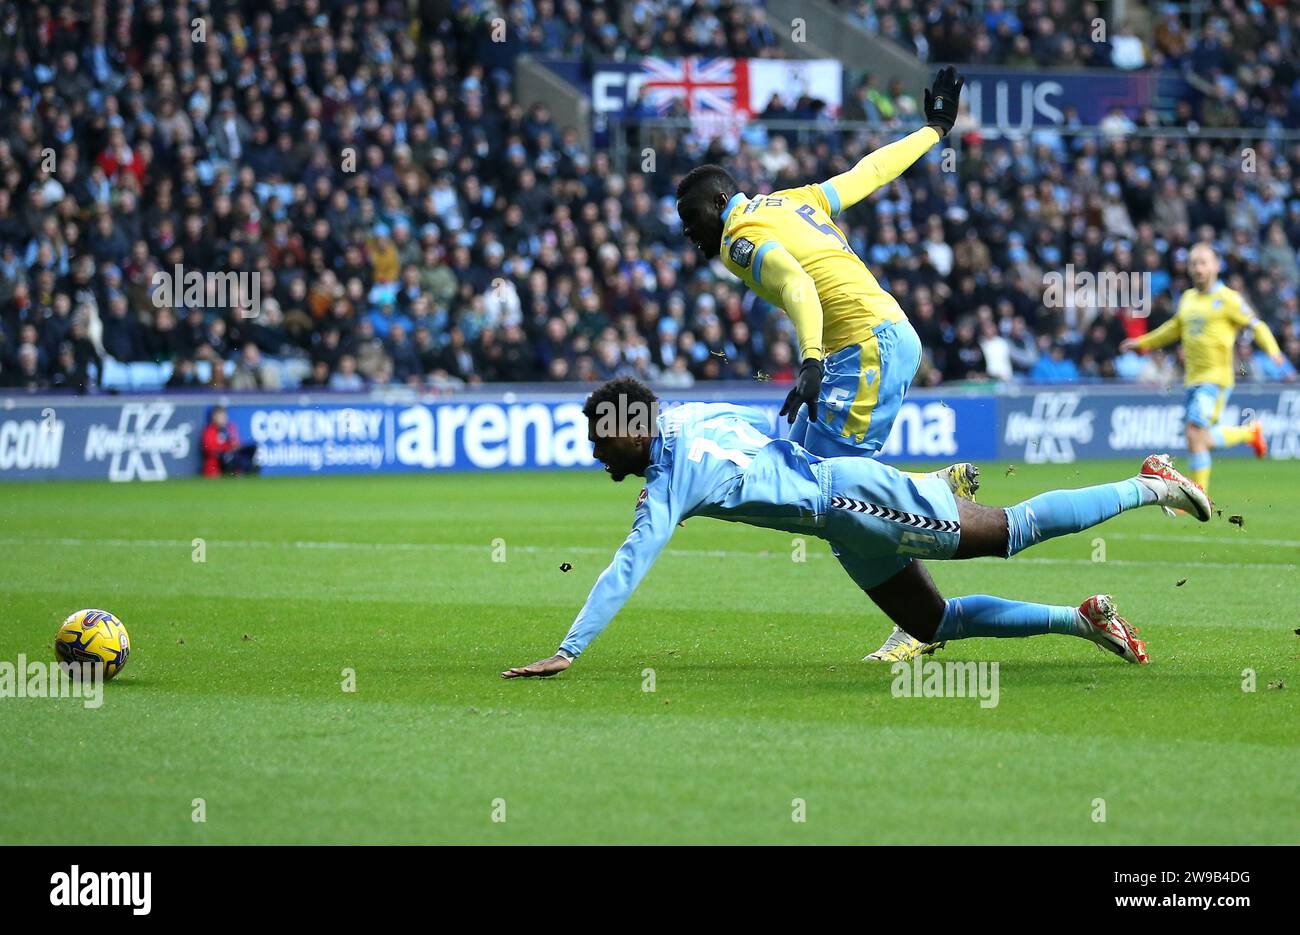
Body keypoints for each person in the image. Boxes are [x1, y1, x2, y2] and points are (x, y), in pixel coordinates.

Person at [501, 378, 1211, 679]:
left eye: (603, 442)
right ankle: (1082, 620)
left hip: (853, 503)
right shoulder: (689, 416)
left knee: (1009, 529)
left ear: (632, 431)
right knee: (932, 622)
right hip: (842, 523)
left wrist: (569, 649)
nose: (598, 454)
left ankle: (1148, 482)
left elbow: (629, 563)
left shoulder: (669, 482)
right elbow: (771, 427)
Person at [675, 66, 975, 661]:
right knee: (804, 485)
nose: (690, 235)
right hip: (875, 338)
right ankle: (918, 602)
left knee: (832, 500)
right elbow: (869, 173)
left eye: (691, 221)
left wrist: (809, 359)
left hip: (861, 349)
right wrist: (935, 129)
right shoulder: (792, 200)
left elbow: (797, 287)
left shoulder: (740, 237)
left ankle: (924, 545)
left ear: (718, 202)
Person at [1121, 244, 1283, 492]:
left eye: (1203, 262)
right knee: (1199, 438)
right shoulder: (1188, 299)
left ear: (1216, 266)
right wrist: (1142, 343)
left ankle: (1199, 495)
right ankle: (1250, 433)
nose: (1197, 268)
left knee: (1194, 431)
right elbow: (1173, 329)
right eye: (1193, 263)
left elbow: (1256, 325)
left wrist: (1273, 350)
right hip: (1192, 379)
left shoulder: (1228, 298)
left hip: (1215, 380)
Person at [201, 405, 259, 477]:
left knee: (252, 448)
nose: (224, 419)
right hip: (220, 460)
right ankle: (236, 473)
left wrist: (235, 446)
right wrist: (226, 448)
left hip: (233, 455)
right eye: (221, 417)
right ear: (214, 417)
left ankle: (250, 470)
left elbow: (236, 443)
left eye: (224, 416)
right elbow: (210, 449)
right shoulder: (209, 431)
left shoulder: (230, 428)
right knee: (228, 456)